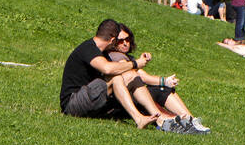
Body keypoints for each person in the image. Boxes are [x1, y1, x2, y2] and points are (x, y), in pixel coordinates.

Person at [60, 20, 209, 134]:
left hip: (91, 99)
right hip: (72, 103)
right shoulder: (88, 48)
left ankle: (162, 118)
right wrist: (136, 63)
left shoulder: (97, 50)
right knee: (117, 77)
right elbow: (107, 68)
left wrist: (135, 67)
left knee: (130, 76)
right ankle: (140, 118)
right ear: (112, 40)